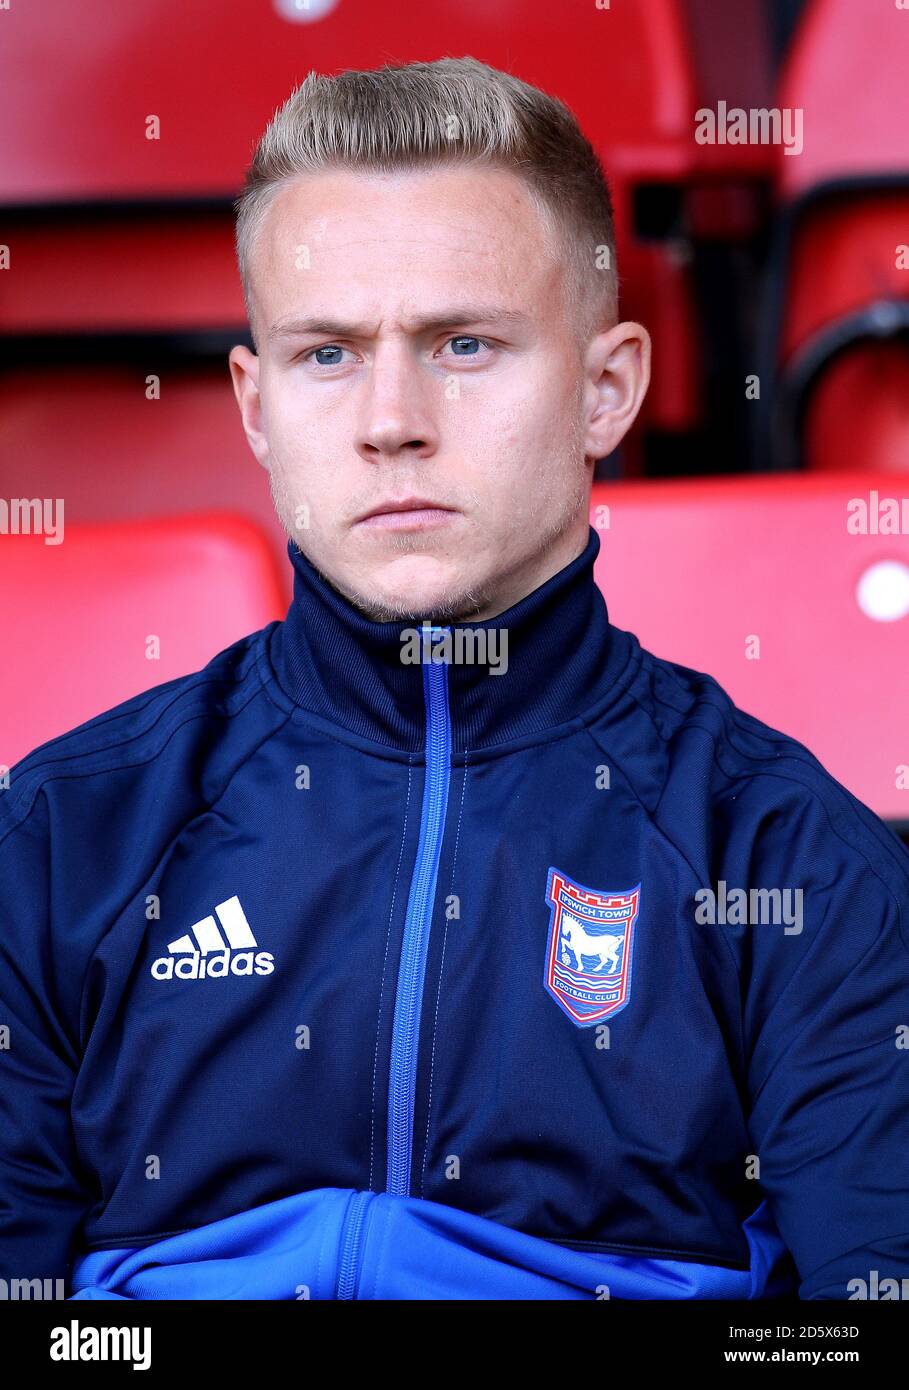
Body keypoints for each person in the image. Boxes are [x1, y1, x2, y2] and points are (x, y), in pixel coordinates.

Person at [2, 56, 908, 1302]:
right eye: (327, 355)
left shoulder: (785, 858)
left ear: (608, 389)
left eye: (464, 343)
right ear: (255, 408)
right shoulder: (61, 840)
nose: (391, 418)